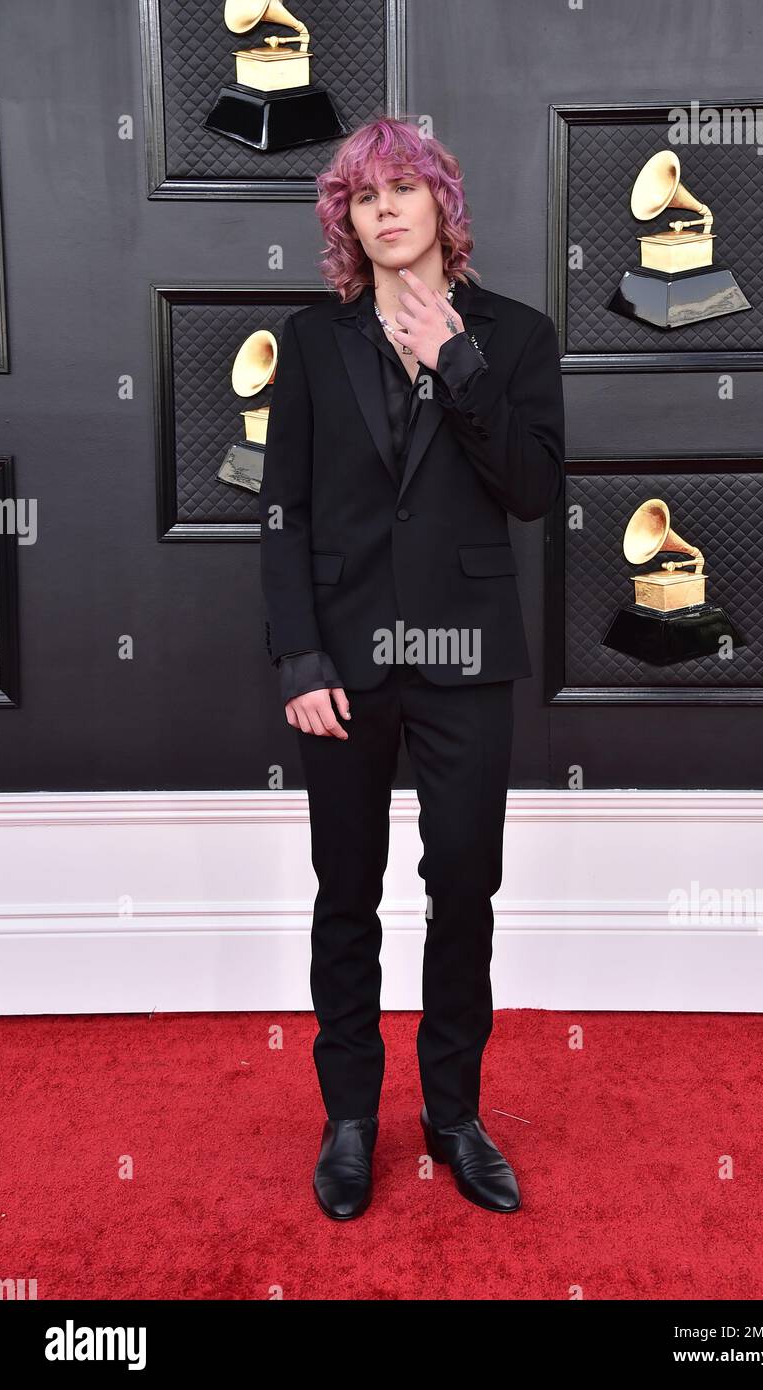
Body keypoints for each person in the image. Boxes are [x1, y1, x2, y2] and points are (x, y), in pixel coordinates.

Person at [259, 117, 565, 1220]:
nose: (383, 207)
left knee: (462, 891)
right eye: (360, 195)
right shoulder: (307, 340)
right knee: (344, 895)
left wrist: (458, 365)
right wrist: (298, 653)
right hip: (338, 666)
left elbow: (531, 490)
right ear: (345, 220)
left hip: (466, 661)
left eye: (403, 187)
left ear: (441, 202)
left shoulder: (517, 338)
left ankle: (452, 1115)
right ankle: (349, 1120)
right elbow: (282, 513)